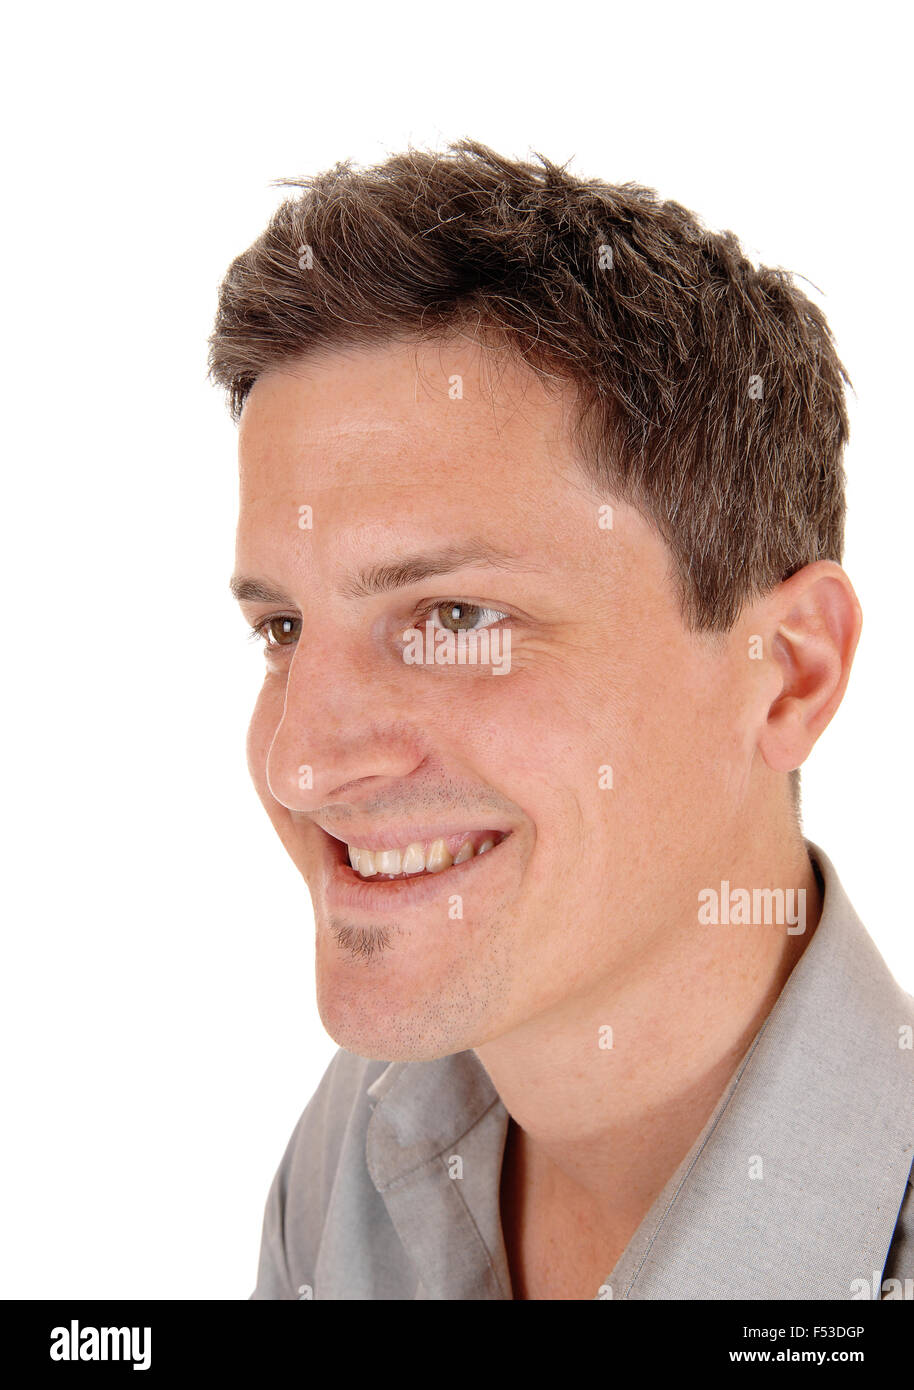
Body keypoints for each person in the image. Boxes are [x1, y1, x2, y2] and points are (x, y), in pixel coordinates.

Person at [208, 140, 913, 1300]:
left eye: (454, 614)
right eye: (281, 629)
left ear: (786, 674)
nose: (300, 765)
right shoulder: (366, 1142)